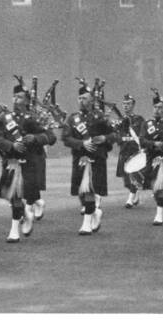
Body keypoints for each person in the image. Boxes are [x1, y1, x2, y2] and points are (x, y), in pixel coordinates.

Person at [0, 77, 56, 242]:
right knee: (14, 198)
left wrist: (35, 138)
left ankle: (28, 213)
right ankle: (14, 230)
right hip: (12, 163)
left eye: (20, 97)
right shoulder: (6, 118)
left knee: (28, 196)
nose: (16, 100)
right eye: (14, 97)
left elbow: (51, 137)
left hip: (30, 164)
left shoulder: (33, 118)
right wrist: (10, 146)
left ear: (27, 99)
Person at [62, 80, 116, 235]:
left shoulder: (101, 117)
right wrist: (81, 143)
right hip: (79, 158)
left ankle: (86, 224)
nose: (81, 101)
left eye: (84, 98)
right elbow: (66, 138)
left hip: (96, 158)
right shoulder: (73, 119)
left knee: (90, 190)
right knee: (81, 192)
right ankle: (94, 213)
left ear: (92, 100)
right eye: (79, 98)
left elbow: (114, 135)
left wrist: (105, 139)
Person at [139, 92, 163, 225]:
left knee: (159, 186)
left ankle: (159, 214)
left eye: (160, 107)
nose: (157, 110)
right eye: (155, 107)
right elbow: (142, 140)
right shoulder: (146, 124)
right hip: (152, 158)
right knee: (154, 187)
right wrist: (154, 144)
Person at [115, 94, 146, 209]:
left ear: (133, 105)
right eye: (124, 104)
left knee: (133, 174)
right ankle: (135, 192)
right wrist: (120, 138)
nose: (126, 106)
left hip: (134, 152)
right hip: (124, 151)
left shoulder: (139, 119)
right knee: (126, 180)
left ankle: (130, 198)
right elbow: (116, 135)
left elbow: (142, 134)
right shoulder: (120, 120)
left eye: (128, 104)